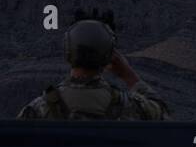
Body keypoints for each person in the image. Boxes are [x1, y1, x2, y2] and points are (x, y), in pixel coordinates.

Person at [17, 15, 170, 120]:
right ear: (110, 56)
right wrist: (128, 75)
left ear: (68, 53)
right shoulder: (131, 105)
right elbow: (163, 115)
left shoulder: (39, 108)